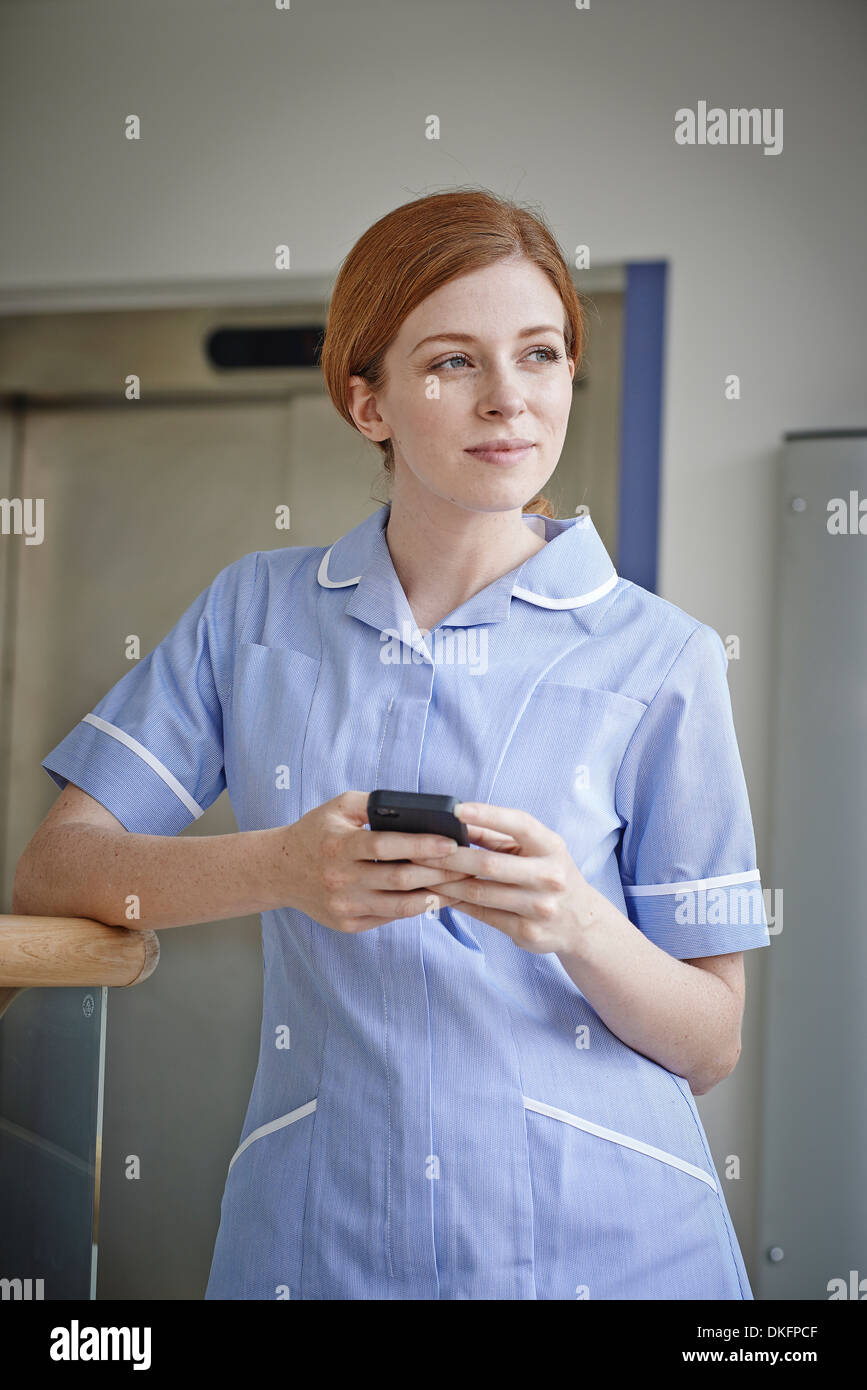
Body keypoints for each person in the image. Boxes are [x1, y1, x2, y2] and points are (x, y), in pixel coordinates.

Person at [18, 188, 770, 1300]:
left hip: (609, 1252)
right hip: (324, 1244)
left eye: (542, 353)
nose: (509, 398)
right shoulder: (255, 615)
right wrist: (279, 867)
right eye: (452, 363)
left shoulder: (664, 657)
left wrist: (575, 920)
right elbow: (56, 871)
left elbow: (711, 1044)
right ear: (367, 401)